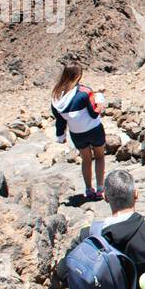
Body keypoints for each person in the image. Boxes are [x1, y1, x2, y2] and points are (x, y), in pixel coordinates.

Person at [51, 61, 106, 201]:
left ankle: (88, 189)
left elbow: (60, 119)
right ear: (78, 75)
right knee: (99, 157)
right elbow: (94, 113)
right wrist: (100, 102)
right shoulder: (85, 92)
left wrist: (60, 135)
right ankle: (100, 189)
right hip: (94, 130)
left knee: (86, 159)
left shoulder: (56, 96)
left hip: (77, 134)